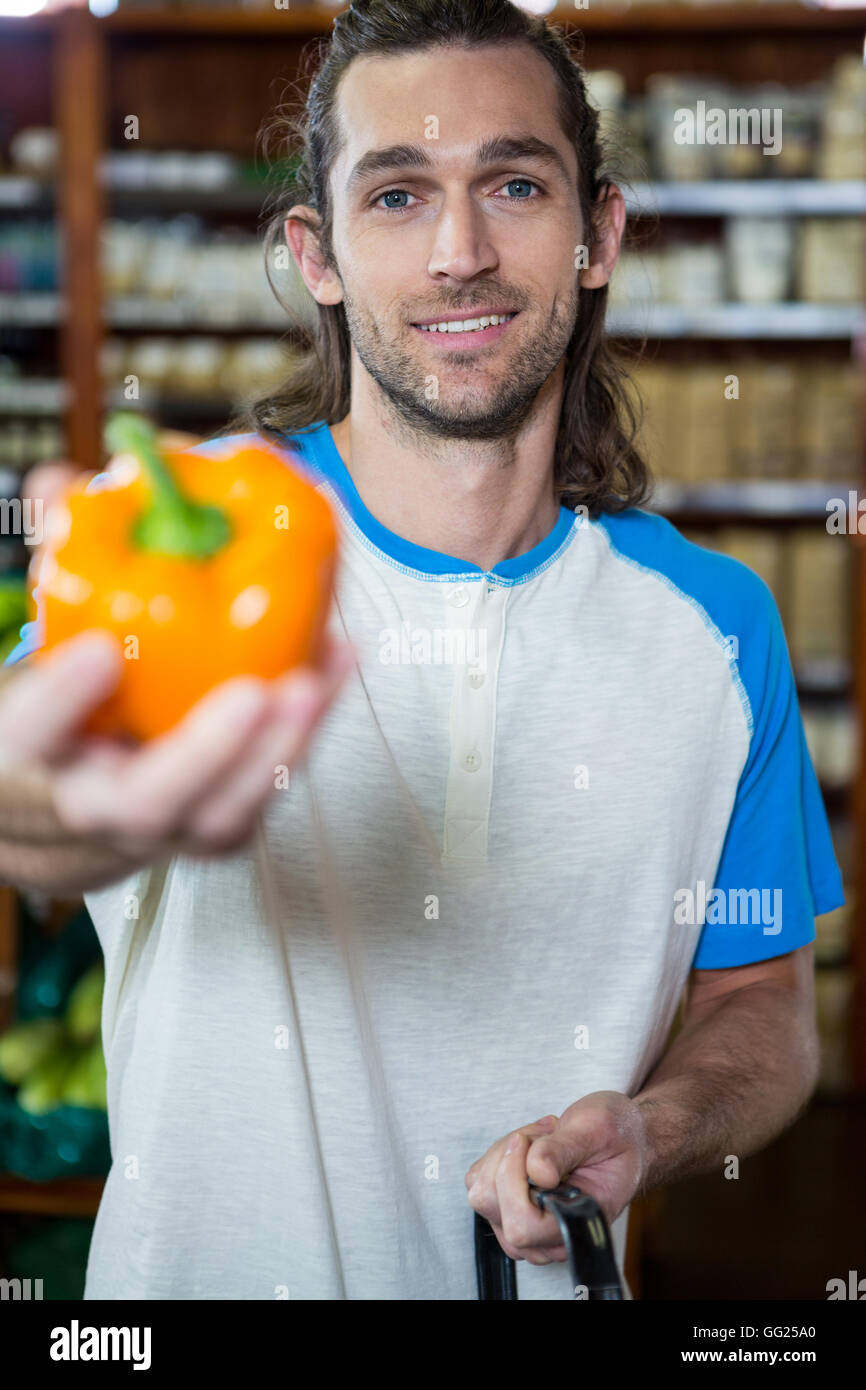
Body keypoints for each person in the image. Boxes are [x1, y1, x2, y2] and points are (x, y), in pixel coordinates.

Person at [0, 0, 842, 1300]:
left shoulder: (714, 623)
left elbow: (760, 1001)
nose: (461, 253)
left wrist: (654, 1126)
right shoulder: (189, 541)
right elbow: (41, 816)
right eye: (396, 195)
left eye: (512, 183)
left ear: (596, 233)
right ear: (317, 252)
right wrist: (55, 808)